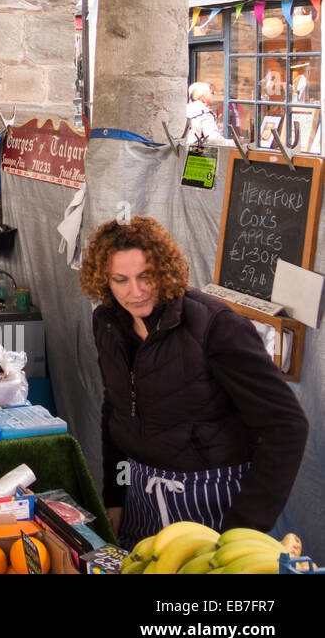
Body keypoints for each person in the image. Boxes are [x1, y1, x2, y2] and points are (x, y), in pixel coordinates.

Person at [80, 216, 308, 546]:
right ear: (104, 281)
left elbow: (287, 425)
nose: (136, 291)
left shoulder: (216, 327)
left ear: (164, 269)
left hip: (214, 505)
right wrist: (115, 497)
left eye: (146, 276)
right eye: (120, 280)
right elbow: (115, 409)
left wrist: (243, 530)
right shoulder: (107, 323)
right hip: (141, 497)